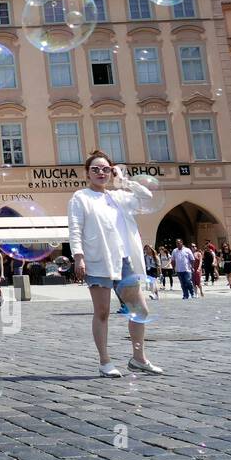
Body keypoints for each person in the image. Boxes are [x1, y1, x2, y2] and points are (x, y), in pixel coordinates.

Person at [68, 150, 164, 378]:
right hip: (97, 260)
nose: (101, 173)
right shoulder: (80, 197)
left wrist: (124, 180)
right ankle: (105, 362)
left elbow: (146, 198)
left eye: (106, 169)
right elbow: (75, 229)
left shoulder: (118, 196)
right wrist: (78, 256)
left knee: (140, 310)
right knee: (102, 312)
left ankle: (139, 359)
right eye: (95, 169)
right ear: (87, 173)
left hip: (123, 261)